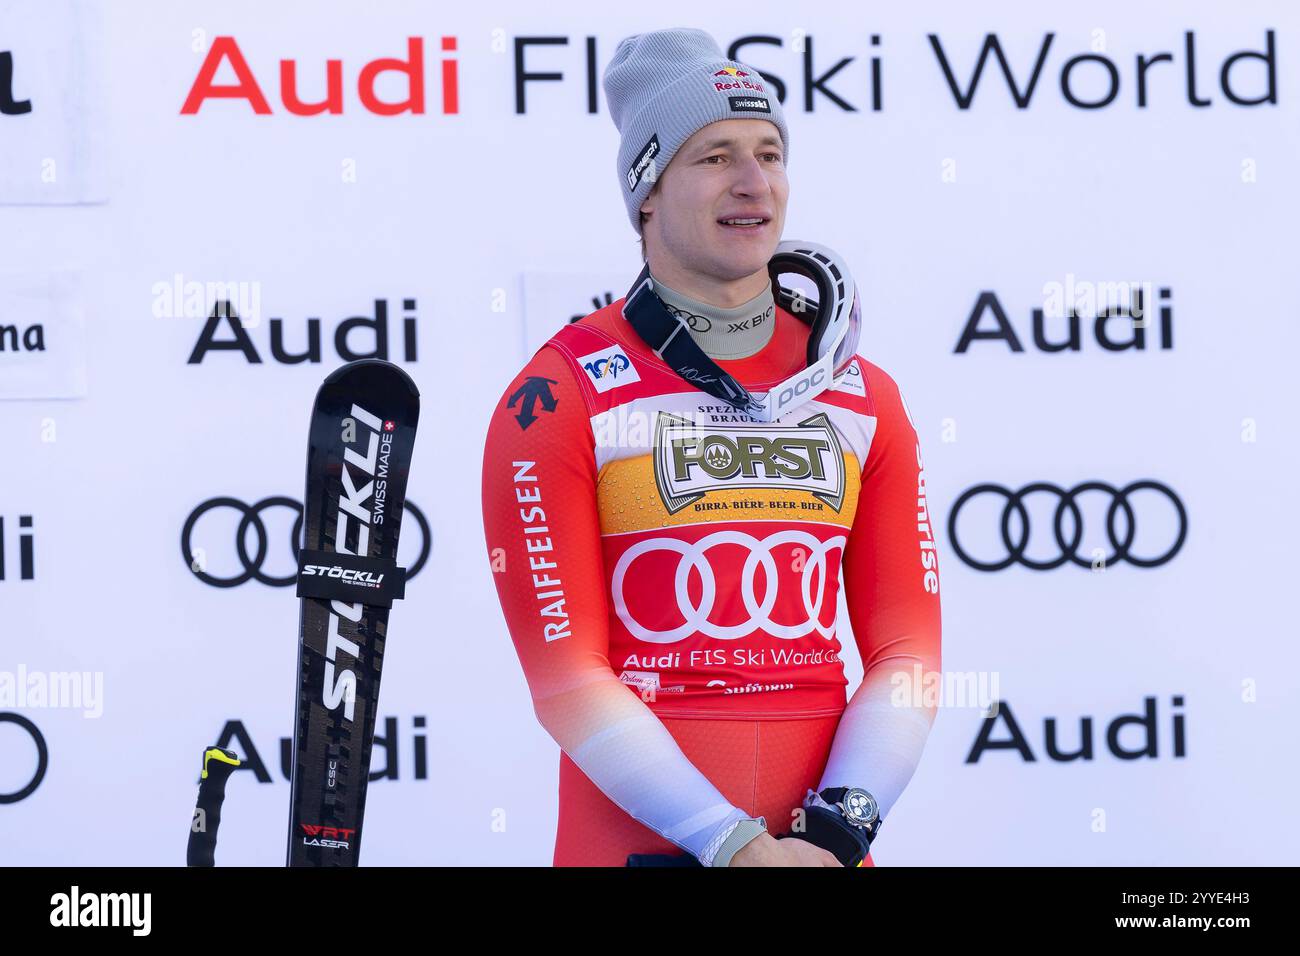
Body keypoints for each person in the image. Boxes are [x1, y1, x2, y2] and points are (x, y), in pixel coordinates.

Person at [481, 28, 941, 867]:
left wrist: (836, 832)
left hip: (823, 851)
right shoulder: (558, 394)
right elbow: (566, 680)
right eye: (715, 156)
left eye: (770, 152)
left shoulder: (863, 394)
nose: (754, 182)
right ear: (647, 193)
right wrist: (733, 847)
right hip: (642, 845)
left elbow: (908, 654)